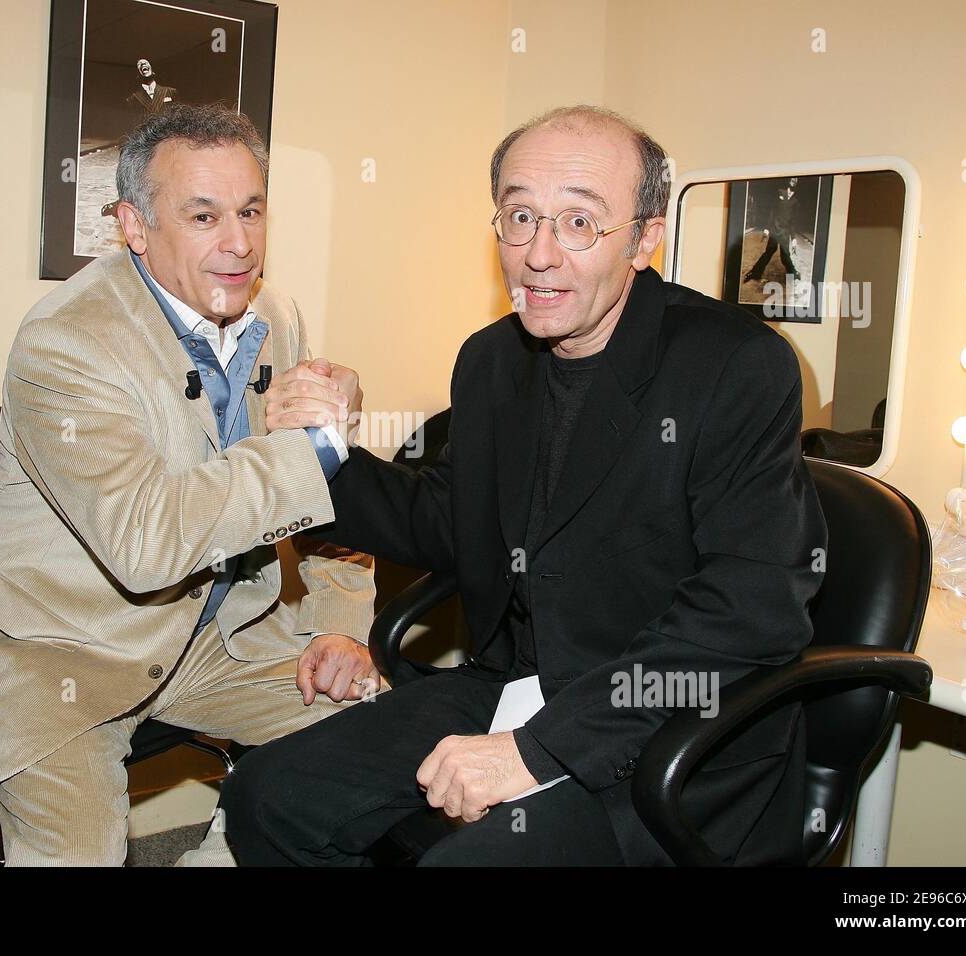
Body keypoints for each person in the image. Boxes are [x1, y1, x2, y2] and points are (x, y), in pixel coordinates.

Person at [219, 105, 828, 866]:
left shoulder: (735, 367)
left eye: (579, 222)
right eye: (519, 216)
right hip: (513, 684)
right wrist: (324, 451)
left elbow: (751, 614)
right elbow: (449, 520)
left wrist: (537, 751)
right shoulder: (491, 362)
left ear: (645, 238)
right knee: (265, 797)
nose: (538, 255)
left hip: (665, 723)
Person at [0, 103, 377, 865]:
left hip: (213, 637)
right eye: (203, 216)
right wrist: (316, 448)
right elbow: (146, 543)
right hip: (56, 647)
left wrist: (337, 619)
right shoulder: (65, 344)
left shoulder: (276, 315)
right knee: (81, 853)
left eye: (251, 211)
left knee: (379, 743)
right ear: (135, 227)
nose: (238, 244)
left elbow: (323, 498)